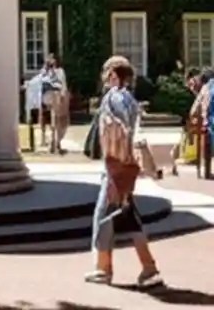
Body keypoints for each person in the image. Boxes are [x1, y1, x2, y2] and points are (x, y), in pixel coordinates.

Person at [85, 56, 163, 288]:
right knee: (128, 216)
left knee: (103, 217)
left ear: (113, 75)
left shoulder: (113, 98)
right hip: (127, 165)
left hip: (115, 165)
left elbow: (116, 133)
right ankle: (148, 267)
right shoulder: (130, 99)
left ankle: (104, 268)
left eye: (106, 72)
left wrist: (113, 168)